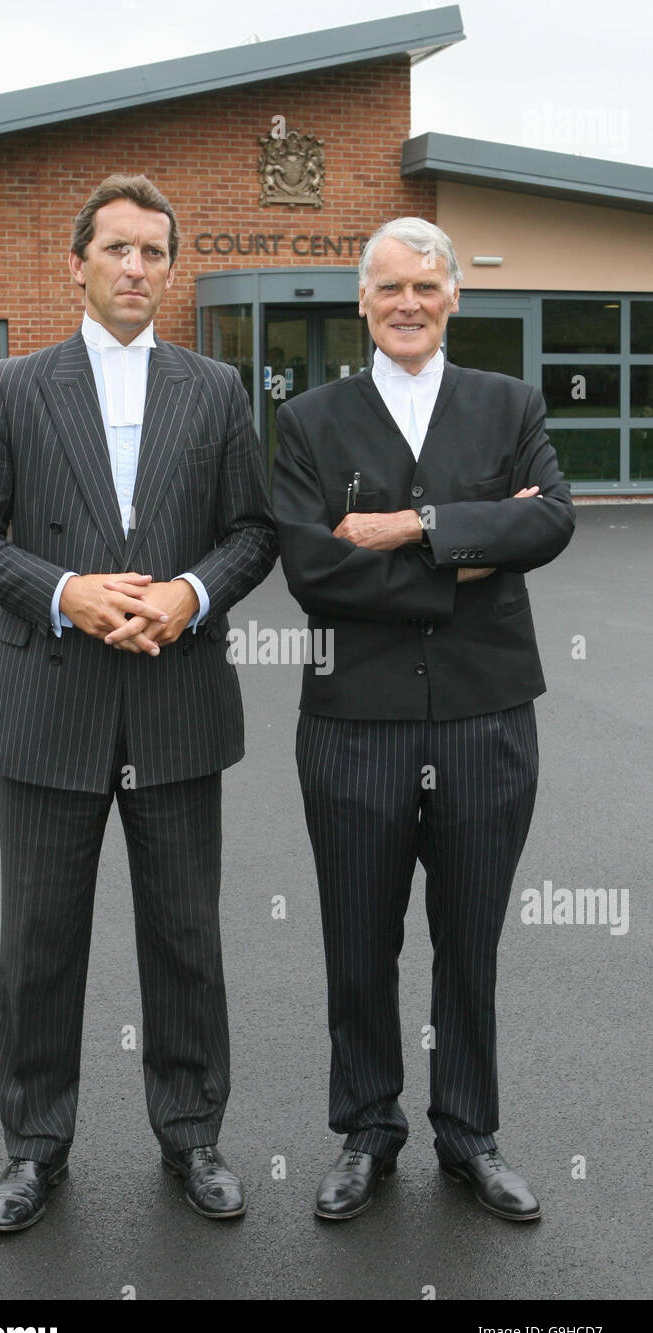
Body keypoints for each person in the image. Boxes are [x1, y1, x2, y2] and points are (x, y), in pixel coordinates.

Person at [0, 174, 278, 1230]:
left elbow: (253, 531)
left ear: (171, 271)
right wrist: (65, 593)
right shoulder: (16, 388)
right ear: (75, 262)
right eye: (118, 249)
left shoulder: (216, 389)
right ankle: (35, 1148)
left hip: (177, 706)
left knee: (185, 938)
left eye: (154, 253)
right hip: (51, 711)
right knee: (38, 944)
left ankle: (194, 1137)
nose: (137, 268)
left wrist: (190, 591)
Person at [271, 216, 575, 1222]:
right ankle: (368, 1126)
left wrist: (415, 528)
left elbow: (553, 520)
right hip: (355, 725)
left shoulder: (507, 402)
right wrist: (473, 558)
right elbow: (314, 571)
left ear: (455, 297)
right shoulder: (311, 420)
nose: (408, 304)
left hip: (487, 722)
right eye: (390, 287)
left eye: (427, 287)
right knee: (359, 935)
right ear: (361, 298)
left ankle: (469, 1130)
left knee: (469, 939)